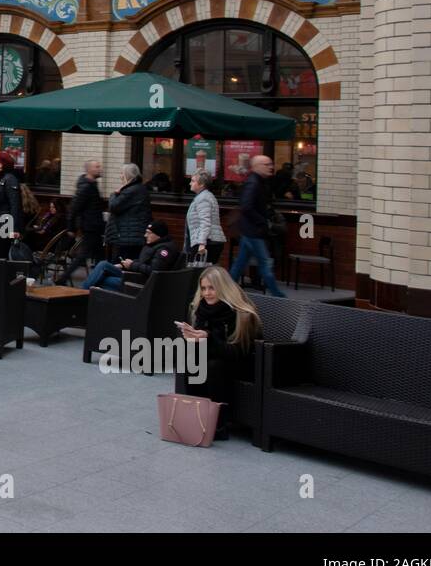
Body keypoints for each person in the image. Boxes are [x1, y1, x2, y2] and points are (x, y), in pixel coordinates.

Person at [178, 266, 263, 440]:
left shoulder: (242, 314)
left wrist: (207, 338)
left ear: (223, 288)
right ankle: (197, 418)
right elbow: (202, 348)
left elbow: (238, 352)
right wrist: (192, 339)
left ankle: (218, 425)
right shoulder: (199, 309)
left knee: (213, 366)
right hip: (215, 358)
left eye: (212, 288)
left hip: (245, 363)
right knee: (194, 363)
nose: (207, 293)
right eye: (203, 288)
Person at [229, 154, 286, 297]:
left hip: (250, 230)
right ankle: (277, 295)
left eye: (271, 164)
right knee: (265, 262)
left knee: (240, 264)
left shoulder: (257, 182)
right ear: (256, 167)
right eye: (266, 164)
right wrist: (263, 221)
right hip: (253, 231)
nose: (271, 167)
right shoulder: (254, 183)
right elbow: (246, 207)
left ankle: (227, 289)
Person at [81, 220, 178, 292]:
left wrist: (132, 265)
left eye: (148, 233)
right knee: (102, 270)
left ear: (158, 235)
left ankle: (81, 293)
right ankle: (86, 293)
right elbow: (144, 261)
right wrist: (125, 264)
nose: (145, 235)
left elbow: (155, 270)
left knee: (102, 275)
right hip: (137, 275)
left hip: (143, 281)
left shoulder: (164, 249)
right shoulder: (155, 244)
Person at [60, 159, 106, 283]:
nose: (99, 168)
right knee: (83, 256)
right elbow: (74, 208)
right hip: (90, 226)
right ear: (89, 169)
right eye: (97, 166)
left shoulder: (92, 185)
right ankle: (63, 278)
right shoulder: (86, 187)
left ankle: (99, 280)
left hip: (94, 226)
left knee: (99, 255)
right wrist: (71, 228)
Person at [106, 162, 151, 262]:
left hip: (127, 238)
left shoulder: (131, 190)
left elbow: (113, 206)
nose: (120, 176)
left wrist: (114, 194)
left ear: (127, 175)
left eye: (122, 173)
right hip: (131, 237)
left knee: (120, 267)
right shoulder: (138, 188)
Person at [185, 170, 227, 265]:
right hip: (209, 241)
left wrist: (201, 243)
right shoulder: (204, 197)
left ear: (201, 184)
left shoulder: (203, 198)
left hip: (207, 242)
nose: (190, 183)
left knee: (198, 274)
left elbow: (205, 221)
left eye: (193, 181)